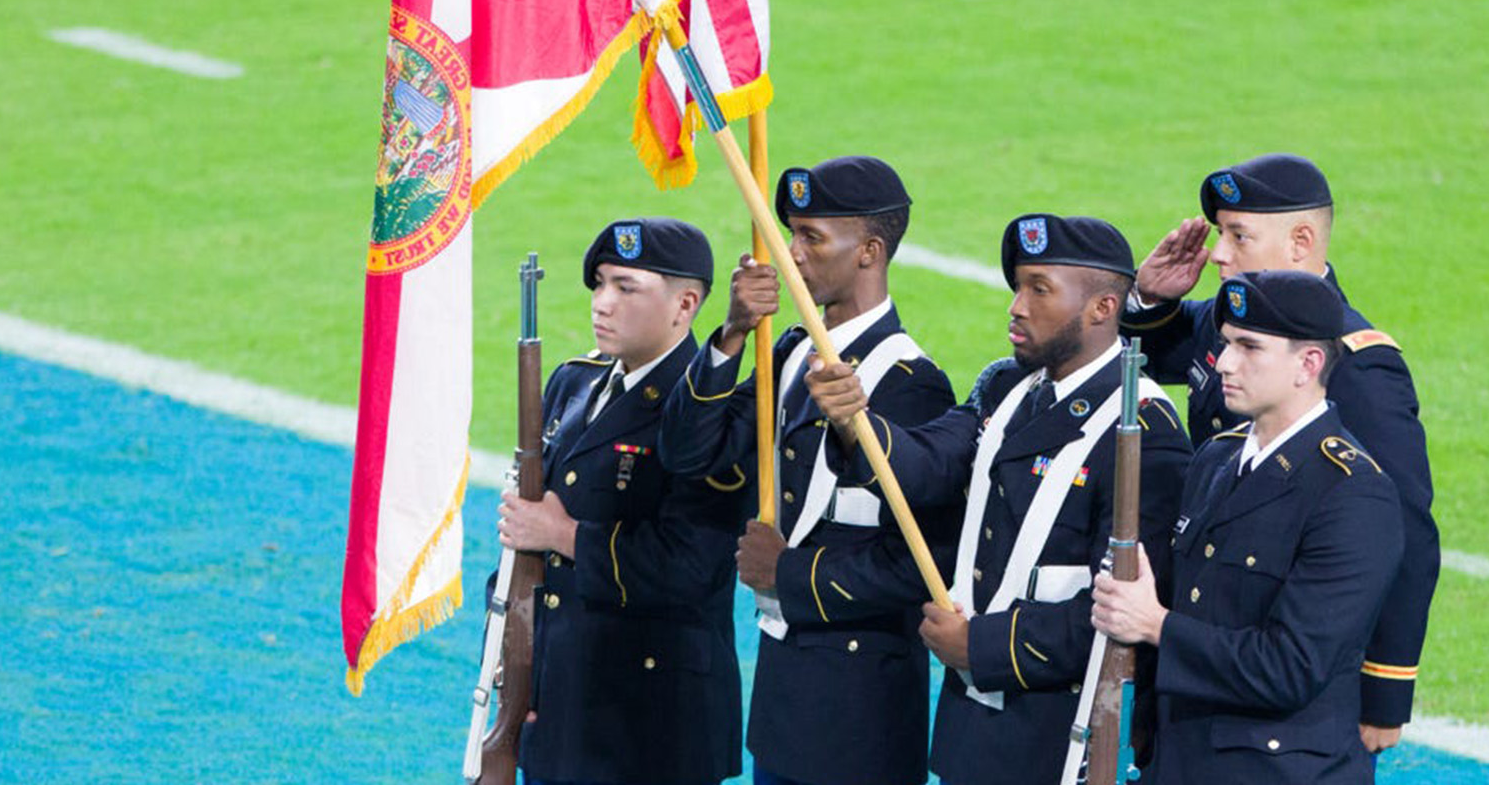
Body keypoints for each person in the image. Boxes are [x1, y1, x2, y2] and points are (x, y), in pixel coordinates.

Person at [802, 213, 1191, 785]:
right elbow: (931, 461)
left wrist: (979, 647)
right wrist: (853, 421)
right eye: (1017, 286)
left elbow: (1121, 621)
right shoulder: (1009, 388)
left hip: (1057, 741)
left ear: (1103, 309)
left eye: (1040, 289)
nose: (1016, 306)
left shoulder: (1144, 433)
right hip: (975, 735)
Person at [1124, 154, 1439, 748]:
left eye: (1238, 235)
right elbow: (1148, 353)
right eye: (1220, 234)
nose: (1219, 253)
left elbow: (1407, 532)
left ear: (1300, 242)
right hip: (1214, 650)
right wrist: (1150, 298)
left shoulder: (1360, 365)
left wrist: (1386, 692)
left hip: (1296, 668)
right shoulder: (1230, 316)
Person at [662, 157, 958, 785]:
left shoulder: (911, 384)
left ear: (869, 251)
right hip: (784, 700)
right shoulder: (793, 350)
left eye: (812, 237)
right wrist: (734, 335)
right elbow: (691, 454)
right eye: (791, 233)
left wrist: (788, 572)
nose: (790, 254)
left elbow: (924, 562)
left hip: (859, 714)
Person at [1091, 270, 1403, 785]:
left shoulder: (1353, 494)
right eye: (1226, 344)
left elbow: (1290, 667)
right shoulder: (1217, 457)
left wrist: (1154, 623)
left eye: (1249, 348)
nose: (1225, 364)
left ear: (1309, 364)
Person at [496, 216, 748, 785]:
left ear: (685, 305)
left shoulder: (711, 414)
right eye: (600, 283)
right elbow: (527, 563)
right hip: (562, 707)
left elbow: (691, 566)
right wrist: (519, 691)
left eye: (625, 287)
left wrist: (561, 534)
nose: (601, 304)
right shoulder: (573, 381)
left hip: (652, 724)